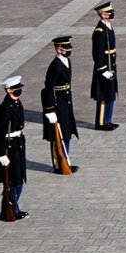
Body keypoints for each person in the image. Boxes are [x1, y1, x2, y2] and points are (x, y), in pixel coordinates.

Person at [0, 76, 28, 221]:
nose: (19, 90)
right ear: (8, 90)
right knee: (12, 180)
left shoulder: (16, 103)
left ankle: (14, 207)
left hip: (18, 142)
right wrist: (0, 154)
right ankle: (9, 209)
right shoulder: (5, 108)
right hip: (10, 145)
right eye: (16, 88)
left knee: (18, 179)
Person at [42, 34, 79, 173]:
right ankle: (58, 164)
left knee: (66, 131)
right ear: (58, 49)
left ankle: (66, 159)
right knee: (57, 134)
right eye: (65, 48)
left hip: (66, 100)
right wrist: (50, 109)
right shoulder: (55, 66)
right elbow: (49, 87)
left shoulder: (66, 61)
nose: (68, 50)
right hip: (57, 102)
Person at [89, 1, 119, 130]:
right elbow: (97, 53)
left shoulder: (108, 26)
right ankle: (101, 122)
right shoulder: (99, 31)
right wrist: (103, 70)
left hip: (111, 65)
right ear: (102, 15)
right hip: (104, 68)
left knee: (111, 94)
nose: (112, 14)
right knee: (103, 95)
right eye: (109, 13)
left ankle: (108, 119)